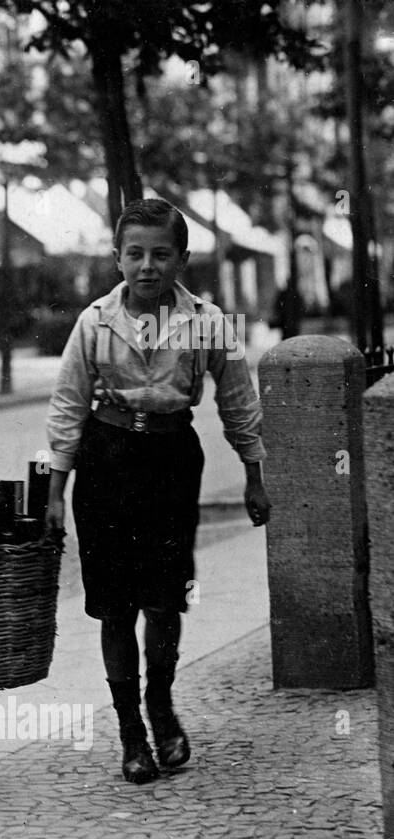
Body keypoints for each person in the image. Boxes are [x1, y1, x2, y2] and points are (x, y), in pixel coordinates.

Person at [44, 197, 271, 784]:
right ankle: (129, 732)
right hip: (107, 460)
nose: (148, 266)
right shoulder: (94, 322)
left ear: (182, 259)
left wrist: (253, 473)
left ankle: (161, 706)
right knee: (115, 604)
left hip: (171, 460)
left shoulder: (209, 322)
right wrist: (54, 493)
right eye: (135, 254)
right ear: (117, 258)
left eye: (161, 254)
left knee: (166, 596)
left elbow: (239, 400)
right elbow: (68, 408)